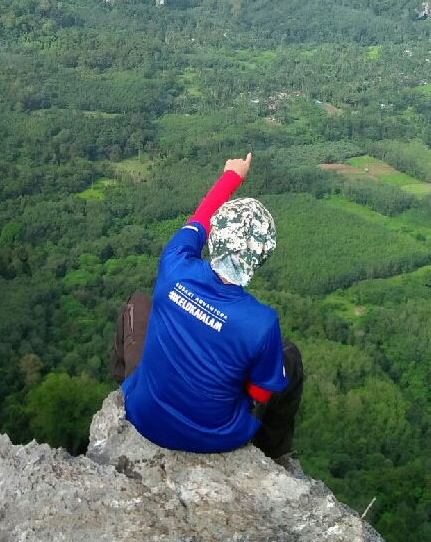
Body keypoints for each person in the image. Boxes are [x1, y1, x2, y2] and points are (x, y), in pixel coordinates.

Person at [108, 152, 303, 459]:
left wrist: (232, 176)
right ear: (261, 257)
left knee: (137, 304)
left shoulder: (174, 266)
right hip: (214, 438)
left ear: (215, 237)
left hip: (143, 417)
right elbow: (260, 393)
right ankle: (272, 452)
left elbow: (198, 219)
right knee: (289, 356)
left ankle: (134, 387)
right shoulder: (261, 322)